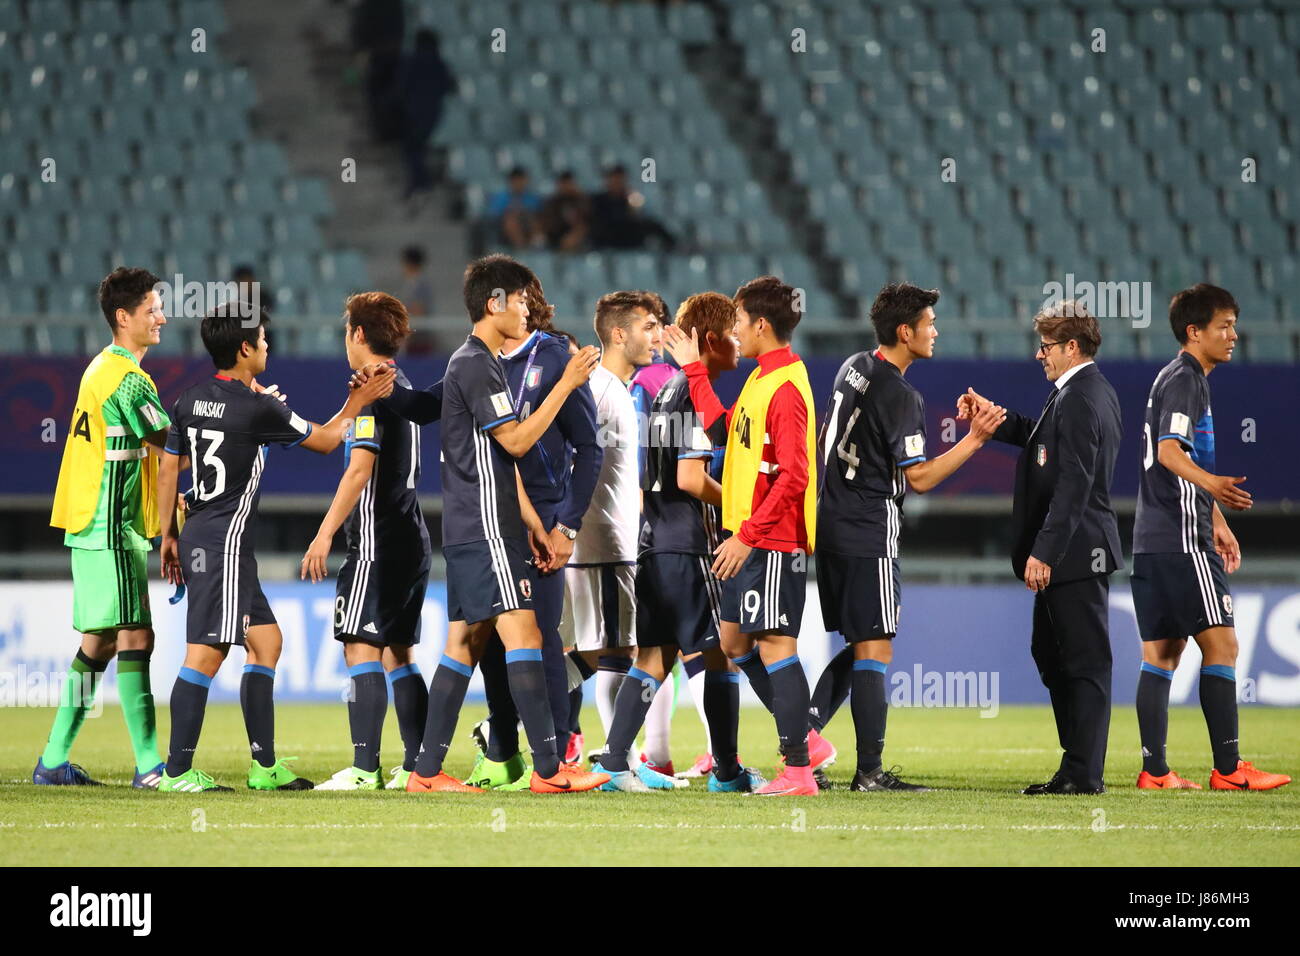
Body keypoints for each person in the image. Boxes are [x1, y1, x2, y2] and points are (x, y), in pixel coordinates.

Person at [154, 304, 395, 792]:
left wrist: (167, 535)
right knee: (206, 651)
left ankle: (263, 768)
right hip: (223, 543)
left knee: (267, 642)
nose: (268, 346)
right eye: (262, 340)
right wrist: (358, 402)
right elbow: (328, 441)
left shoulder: (190, 399)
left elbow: (166, 469)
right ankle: (176, 773)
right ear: (244, 348)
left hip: (206, 535)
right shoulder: (259, 407)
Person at [398, 254, 606, 794]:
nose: (526, 311)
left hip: (483, 522)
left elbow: (499, 460)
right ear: (495, 304)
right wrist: (565, 383)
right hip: (486, 524)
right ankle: (548, 769)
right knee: (527, 636)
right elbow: (515, 442)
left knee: (464, 645)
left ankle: (425, 772)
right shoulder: (474, 362)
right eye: (519, 301)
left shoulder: (467, 362)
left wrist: (536, 523)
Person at [811, 283, 1006, 792]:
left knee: (860, 641)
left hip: (829, 523)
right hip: (869, 530)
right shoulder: (902, 394)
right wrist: (976, 439)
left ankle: (803, 740)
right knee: (875, 647)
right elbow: (918, 478)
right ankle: (869, 773)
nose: (935, 331)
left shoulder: (852, 365)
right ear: (906, 331)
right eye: (930, 323)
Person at [595, 292, 765, 792]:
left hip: (654, 539)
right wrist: (736, 505)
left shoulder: (666, 389)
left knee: (653, 657)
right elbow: (691, 478)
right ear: (710, 341)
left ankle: (611, 763)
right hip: (687, 544)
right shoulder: (693, 390)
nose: (738, 342)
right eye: (732, 334)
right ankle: (728, 772)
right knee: (718, 657)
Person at [662, 275, 818, 796]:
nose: (734, 331)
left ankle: (798, 769)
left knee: (775, 645)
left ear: (762, 325)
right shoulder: (759, 379)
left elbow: (795, 476)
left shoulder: (788, 388)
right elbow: (728, 432)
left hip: (771, 540)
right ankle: (807, 739)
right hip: (751, 537)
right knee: (732, 642)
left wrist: (748, 535)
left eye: (739, 322)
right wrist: (692, 371)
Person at [959, 301, 1122, 795]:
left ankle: (1082, 773)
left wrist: (1045, 551)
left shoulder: (1078, 396)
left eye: (1047, 346)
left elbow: (1074, 483)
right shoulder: (1082, 392)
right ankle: (1076, 765)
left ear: (1072, 347)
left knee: (1084, 661)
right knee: (1051, 654)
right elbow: (1042, 441)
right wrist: (995, 419)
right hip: (1073, 551)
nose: (1039, 355)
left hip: (1074, 552)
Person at [1130, 284, 1289, 791]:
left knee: (1162, 654)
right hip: (1181, 540)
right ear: (1194, 332)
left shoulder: (1176, 379)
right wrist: (1214, 488)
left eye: (1234, 325)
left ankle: (1155, 773)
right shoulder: (1186, 380)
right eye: (1223, 326)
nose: (1233, 335)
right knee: (1222, 644)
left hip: (1153, 539)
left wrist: (1217, 519)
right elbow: (1172, 452)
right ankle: (1229, 769)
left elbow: (1175, 463)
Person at [38, 268, 173, 789]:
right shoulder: (126, 378)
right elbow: (171, 441)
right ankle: (149, 768)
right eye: (152, 307)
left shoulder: (99, 368)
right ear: (124, 316)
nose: (161, 315)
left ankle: (52, 762)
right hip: (110, 525)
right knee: (137, 633)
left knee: (100, 642)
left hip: (88, 521)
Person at [301, 293, 432, 792]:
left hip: (376, 543)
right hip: (411, 538)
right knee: (399, 654)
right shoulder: (403, 382)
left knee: (361, 648)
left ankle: (364, 768)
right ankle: (418, 766)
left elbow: (359, 470)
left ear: (357, 334)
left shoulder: (370, 388)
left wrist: (324, 532)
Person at [559, 291, 681, 787]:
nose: (657, 336)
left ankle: (619, 759)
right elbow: (577, 465)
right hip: (601, 542)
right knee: (619, 654)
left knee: (609, 651)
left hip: (614, 539)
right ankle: (617, 761)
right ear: (617, 334)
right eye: (648, 327)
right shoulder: (602, 391)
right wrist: (572, 528)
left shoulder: (620, 390)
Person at [394, 28, 454, 200]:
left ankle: (420, 183)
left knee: (412, 148)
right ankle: (421, 182)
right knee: (418, 147)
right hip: (434, 112)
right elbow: (448, 87)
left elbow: (401, 87)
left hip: (413, 111)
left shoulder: (411, 61)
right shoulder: (439, 63)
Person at [589, 164, 675, 250]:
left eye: (620, 180)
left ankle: (674, 247)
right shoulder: (598, 200)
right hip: (607, 236)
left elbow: (636, 218)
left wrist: (633, 207)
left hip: (627, 235)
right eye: (614, 179)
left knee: (652, 225)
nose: (617, 183)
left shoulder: (628, 199)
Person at [486, 166, 542, 249]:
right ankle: (521, 248)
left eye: (522, 180)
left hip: (527, 224)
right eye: (516, 180)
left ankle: (537, 247)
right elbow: (494, 214)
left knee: (535, 221)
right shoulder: (502, 197)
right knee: (511, 220)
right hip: (504, 228)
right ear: (511, 181)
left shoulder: (531, 197)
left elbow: (537, 211)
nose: (519, 183)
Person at [540, 170, 590, 251]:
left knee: (580, 230)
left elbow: (586, 220)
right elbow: (549, 223)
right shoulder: (553, 202)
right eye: (564, 183)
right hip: (557, 236)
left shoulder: (580, 199)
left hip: (578, 236)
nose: (566, 186)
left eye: (569, 183)